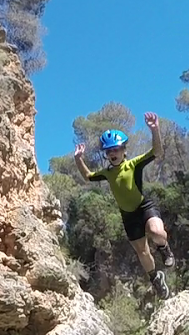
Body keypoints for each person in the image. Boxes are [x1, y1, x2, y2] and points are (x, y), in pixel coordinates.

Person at [75, 111, 176, 300]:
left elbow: (157, 152)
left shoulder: (134, 164)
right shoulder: (107, 173)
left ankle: (165, 248)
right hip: (128, 216)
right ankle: (156, 279)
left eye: (115, 149)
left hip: (144, 207)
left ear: (124, 150)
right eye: (109, 151)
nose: (112, 154)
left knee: (156, 232)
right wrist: (78, 159)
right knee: (142, 252)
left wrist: (155, 130)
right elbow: (88, 177)